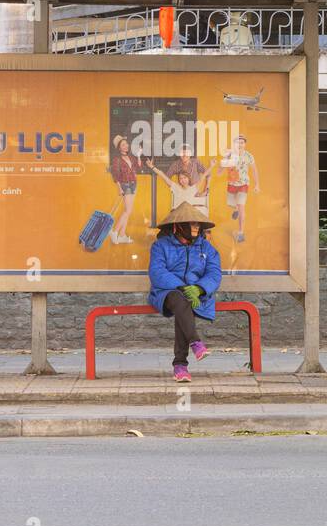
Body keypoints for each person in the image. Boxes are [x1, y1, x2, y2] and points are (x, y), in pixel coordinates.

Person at [147, 202, 223, 383]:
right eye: (192, 223)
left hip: (198, 295)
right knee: (181, 299)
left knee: (185, 304)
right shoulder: (160, 246)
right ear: (178, 226)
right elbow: (157, 272)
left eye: (198, 224)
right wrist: (182, 287)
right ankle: (194, 344)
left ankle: (180, 366)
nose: (196, 227)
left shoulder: (206, 248)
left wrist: (199, 288)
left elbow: (214, 273)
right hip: (166, 293)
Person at [221, 134, 260, 243]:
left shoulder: (249, 156)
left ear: (245, 144)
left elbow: (254, 170)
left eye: (242, 142)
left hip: (243, 184)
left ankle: (241, 232)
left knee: (241, 206)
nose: (240, 144)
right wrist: (220, 169)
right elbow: (223, 165)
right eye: (238, 142)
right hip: (232, 183)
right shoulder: (230, 155)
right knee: (232, 204)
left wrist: (257, 185)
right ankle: (235, 209)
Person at [108, 134, 142, 244]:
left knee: (128, 211)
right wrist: (119, 188)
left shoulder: (131, 157)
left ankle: (122, 235)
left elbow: (138, 167)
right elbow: (115, 175)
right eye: (123, 144)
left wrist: (138, 156)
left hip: (133, 184)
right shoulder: (117, 160)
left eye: (126, 144)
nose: (126, 146)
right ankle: (114, 231)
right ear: (119, 148)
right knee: (127, 211)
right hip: (125, 185)